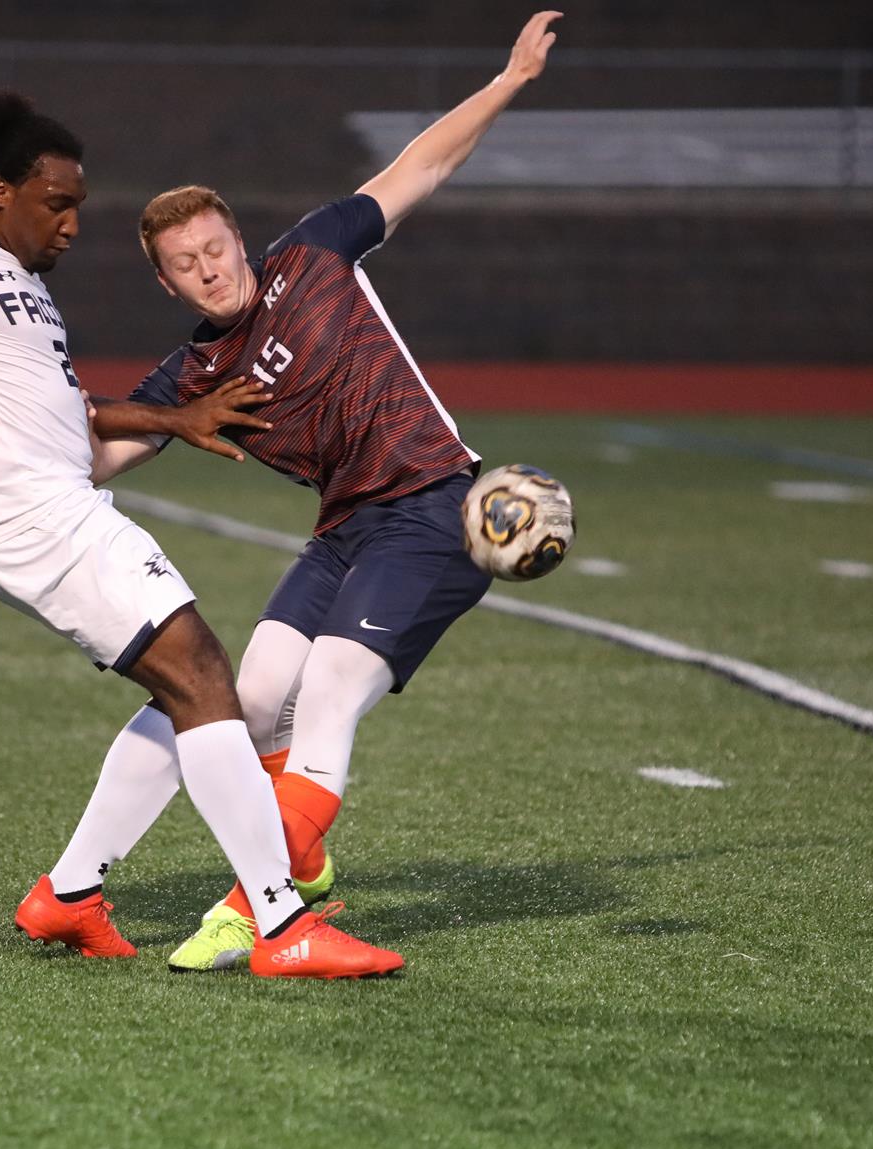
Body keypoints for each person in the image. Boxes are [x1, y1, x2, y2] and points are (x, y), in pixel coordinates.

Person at [0, 89, 404, 978]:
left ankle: (69, 898)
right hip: (28, 513)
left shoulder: (30, 290)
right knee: (203, 676)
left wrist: (178, 416)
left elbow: (66, 413)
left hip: (51, 506)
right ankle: (282, 923)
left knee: (181, 689)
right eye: (58, 202)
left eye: (79, 203)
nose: (74, 222)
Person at [51, 11, 564, 970]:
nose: (209, 269)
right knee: (244, 702)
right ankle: (280, 866)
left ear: (240, 239)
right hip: (343, 535)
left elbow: (421, 166)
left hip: (433, 508)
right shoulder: (187, 379)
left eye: (215, 247)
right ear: (166, 283)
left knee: (326, 694)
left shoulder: (317, 254)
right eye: (185, 265)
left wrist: (508, 81)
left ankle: (262, 909)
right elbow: (97, 454)